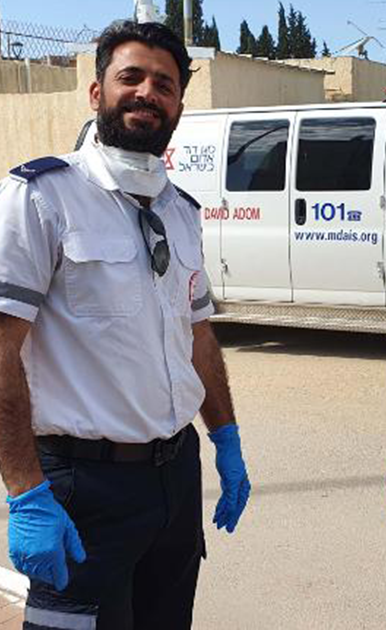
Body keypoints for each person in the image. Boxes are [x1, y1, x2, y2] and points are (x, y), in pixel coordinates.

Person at [0, 21, 250, 628]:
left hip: (174, 479)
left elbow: (197, 335)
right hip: (82, 487)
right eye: (130, 77)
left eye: (164, 84)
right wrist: (26, 491)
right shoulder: (41, 197)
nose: (147, 93)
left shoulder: (181, 212)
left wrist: (226, 437)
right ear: (96, 92)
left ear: (179, 106)